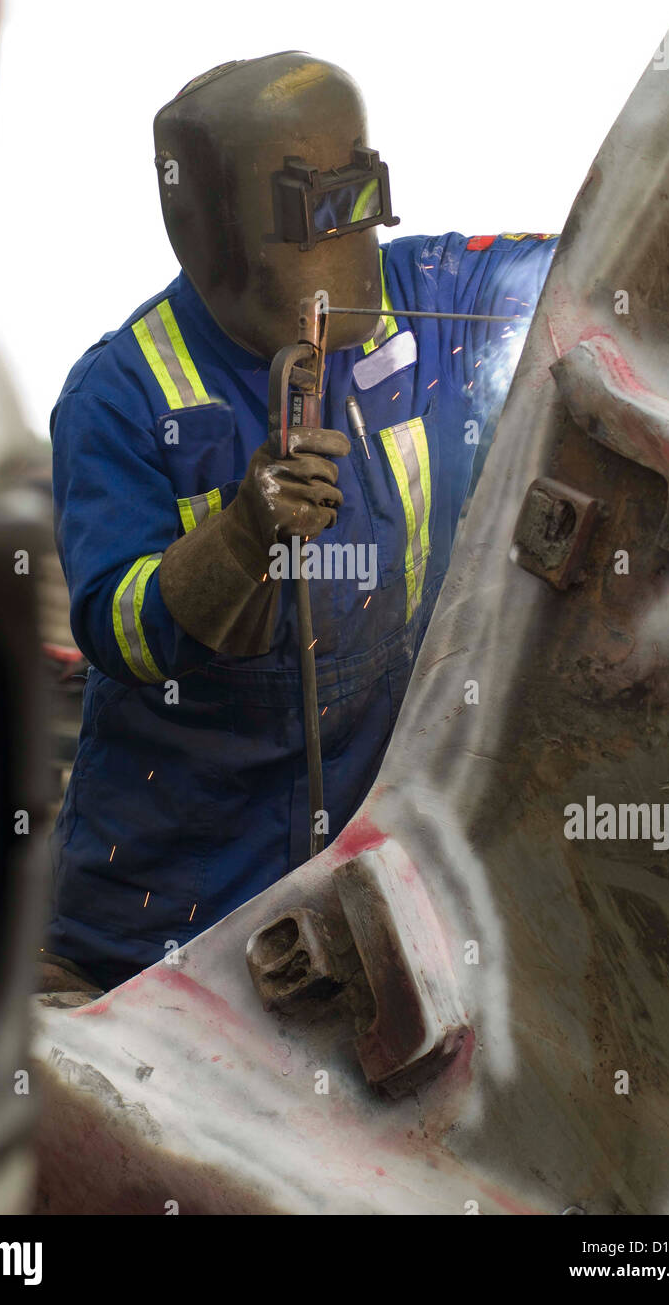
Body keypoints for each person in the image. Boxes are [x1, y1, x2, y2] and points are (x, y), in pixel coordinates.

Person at [41, 51, 557, 994]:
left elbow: (610, 267)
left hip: (362, 903)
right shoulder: (123, 393)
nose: (345, 237)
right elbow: (120, 632)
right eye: (315, 211)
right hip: (167, 912)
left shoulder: (443, 298)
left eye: (356, 199)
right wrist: (241, 537)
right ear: (217, 237)